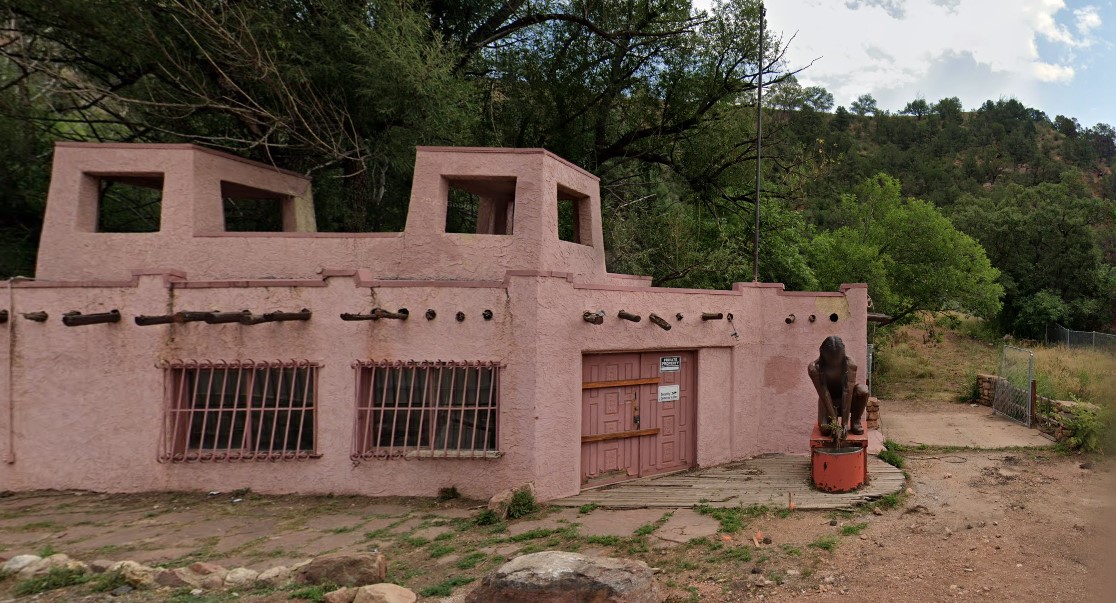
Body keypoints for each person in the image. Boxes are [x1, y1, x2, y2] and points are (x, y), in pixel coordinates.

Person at [807, 335, 869, 435]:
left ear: (843, 352)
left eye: (838, 358)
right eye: (831, 359)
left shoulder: (850, 364)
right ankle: (830, 421)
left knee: (863, 390)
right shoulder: (814, 368)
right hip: (827, 401)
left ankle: (855, 422)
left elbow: (847, 392)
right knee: (825, 430)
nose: (835, 362)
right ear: (822, 352)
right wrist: (835, 424)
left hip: (848, 400)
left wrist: (844, 424)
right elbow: (824, 394)